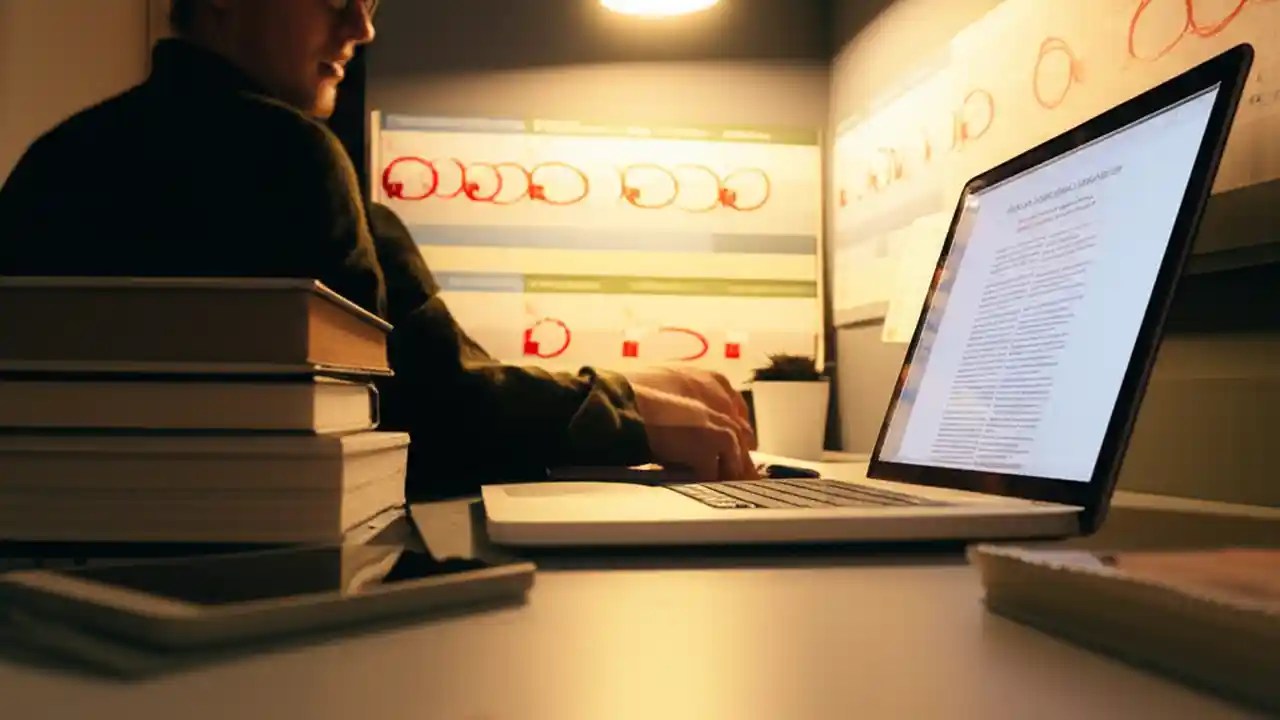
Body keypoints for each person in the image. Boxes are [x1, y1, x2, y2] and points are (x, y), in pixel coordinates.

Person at [0, 0, 758, 498]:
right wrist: (627, 415)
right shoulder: (283, 154)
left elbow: (437, 377)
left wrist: (619, 383)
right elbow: (426, 415)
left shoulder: (57, 157)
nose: (360, 27)